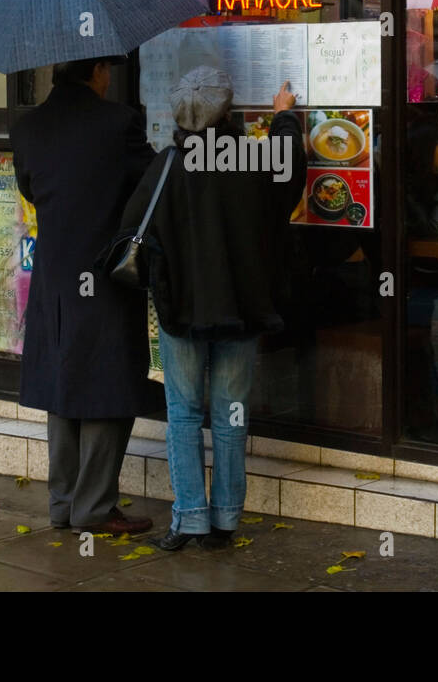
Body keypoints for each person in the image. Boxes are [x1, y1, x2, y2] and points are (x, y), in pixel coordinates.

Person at [120, 67, 306, 551]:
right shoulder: (251, 162)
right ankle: (225, 519)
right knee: (231, 413)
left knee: (182, 415)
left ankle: (190, 519)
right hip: (242, 309)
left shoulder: (164, 167)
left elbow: (133, 234)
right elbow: (291, 174)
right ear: (229, 115)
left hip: (181, 310)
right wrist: (285, 117)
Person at [10, 56, 159, 536]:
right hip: (105, 273)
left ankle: (64, 502)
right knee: (108, 384)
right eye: (106, 70)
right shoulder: (119, 123)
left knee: (63, 382)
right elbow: (151, 184)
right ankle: (94, 507)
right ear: (96, 71)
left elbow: (32, 191)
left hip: (54, 274)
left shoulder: (28, 126)